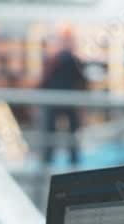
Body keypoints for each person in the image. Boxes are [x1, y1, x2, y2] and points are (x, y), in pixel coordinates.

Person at [39, 34, 88, 167]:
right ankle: (73, 160)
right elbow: (82, 81)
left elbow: (44, 82)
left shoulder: (55, 61)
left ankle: (48, 160)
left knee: (51, 130)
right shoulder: (71, 60)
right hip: (68, 101)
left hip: (55, 101)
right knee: (70, 131)